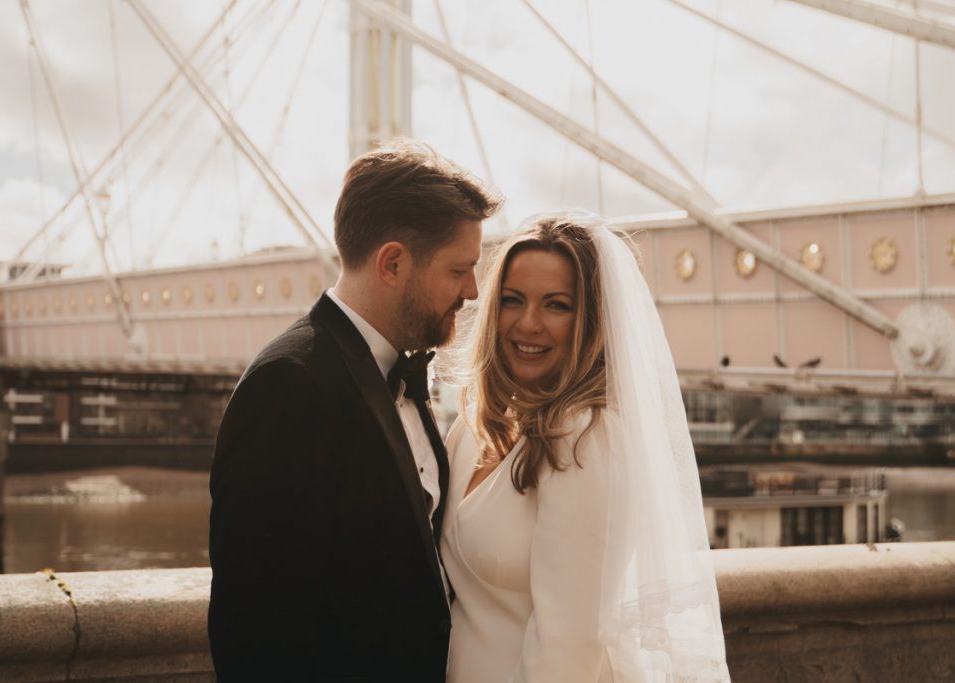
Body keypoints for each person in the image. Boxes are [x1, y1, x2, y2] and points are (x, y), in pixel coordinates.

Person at [208, 138, 502, 681]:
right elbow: (255, 633)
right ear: (392, 263)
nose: (474, 289)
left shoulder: (401, 371)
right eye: (459, 270)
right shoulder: (288, 386)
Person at [441, 214, 730, 682]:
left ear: (591, 321)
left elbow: (569, 649)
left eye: (556, 305)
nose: (528, 323)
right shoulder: (474, 429)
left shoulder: (586, 438)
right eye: (513, 301)